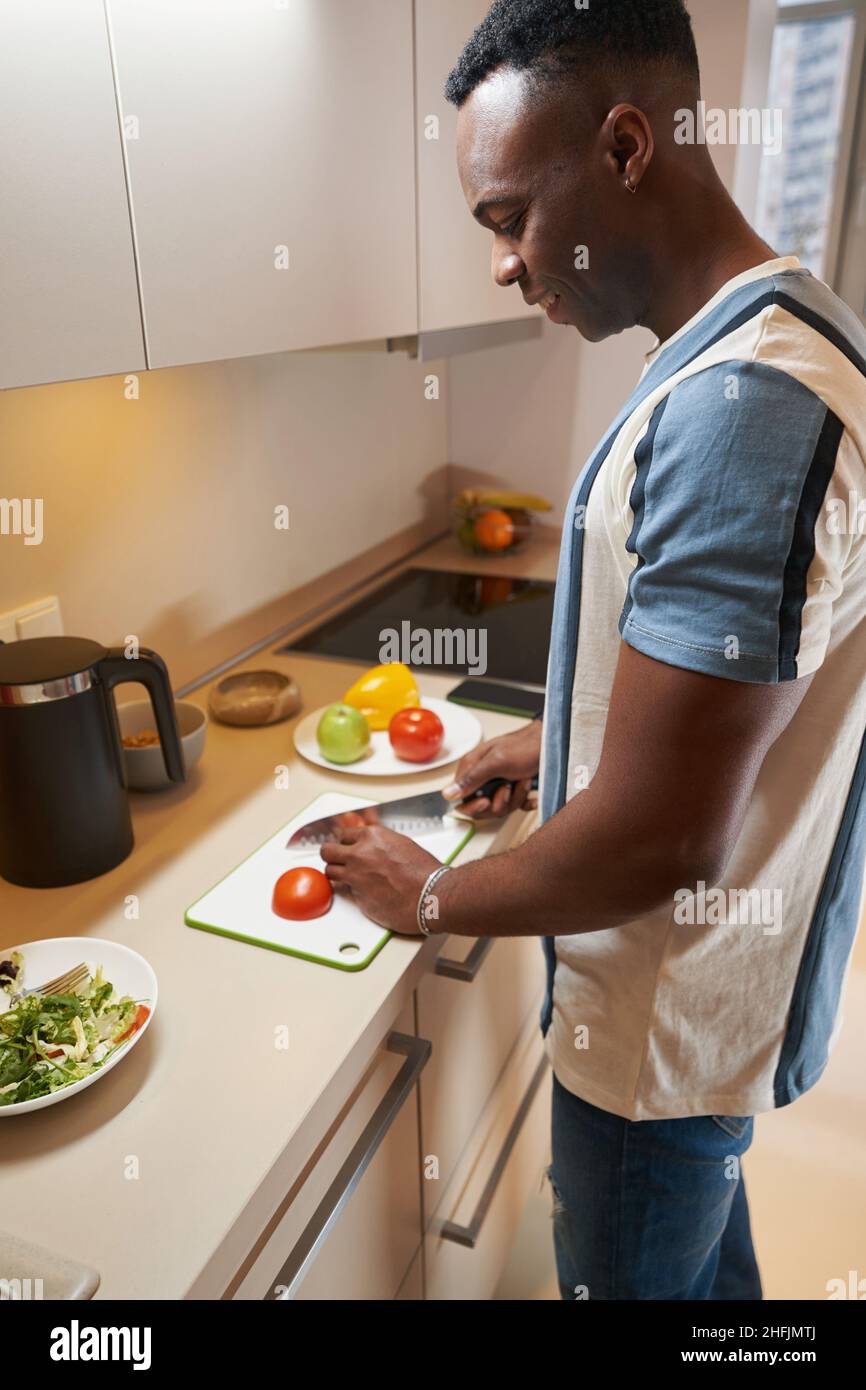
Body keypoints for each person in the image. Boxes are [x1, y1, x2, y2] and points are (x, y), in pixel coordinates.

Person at [322, 0, 866, 1300]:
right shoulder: (769, 336)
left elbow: (659, 841)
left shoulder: (742, 411)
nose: (502, 263)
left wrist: (427, 894)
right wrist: (555, 742)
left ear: (625, 144)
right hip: (697, 1014)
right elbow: (733, 689)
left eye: (506, 214)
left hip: (653, 1040)